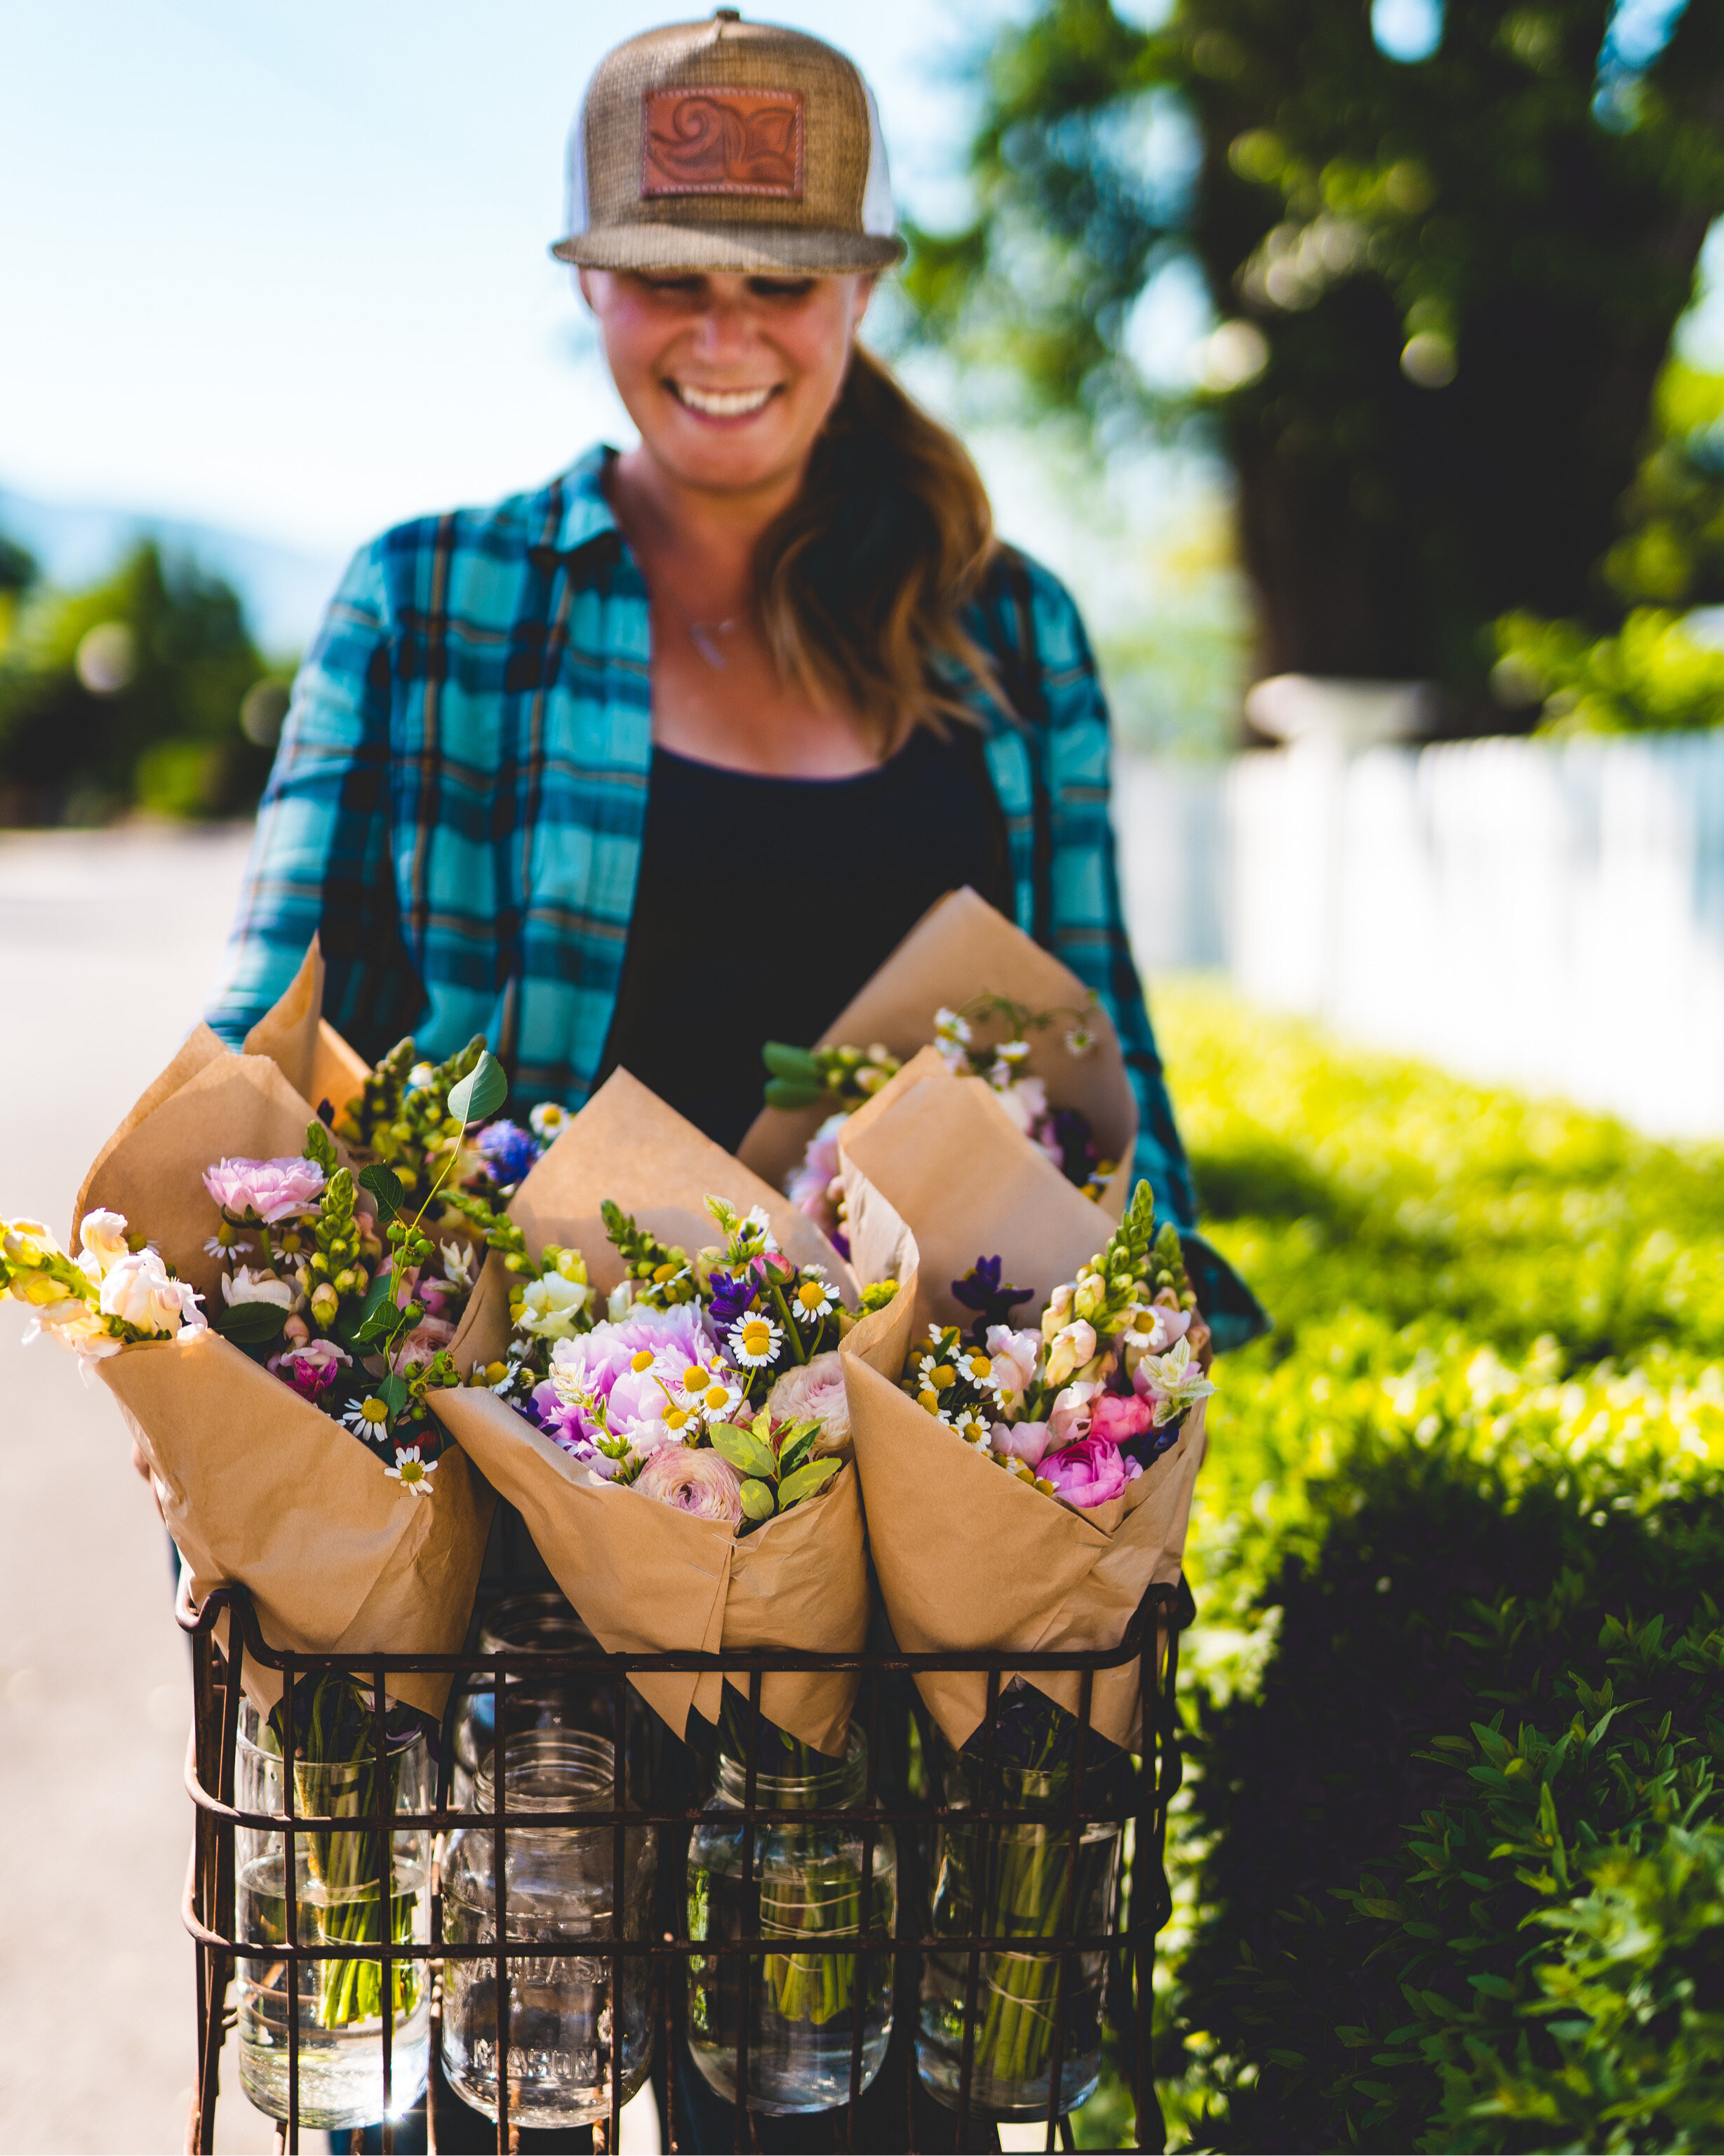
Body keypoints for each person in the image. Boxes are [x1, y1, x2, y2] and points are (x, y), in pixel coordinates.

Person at [205, 10, 1264, 1345]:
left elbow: (1098, 1044)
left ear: (862, 292)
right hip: (511, 1397)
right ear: (589, 282)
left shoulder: (1010, 626)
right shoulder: (425, 602)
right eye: (669, 280)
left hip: (949, 1398)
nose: (722, 337)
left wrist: (1145, 1342)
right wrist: (215, 1322)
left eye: (780, 285)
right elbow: (269, 1039)